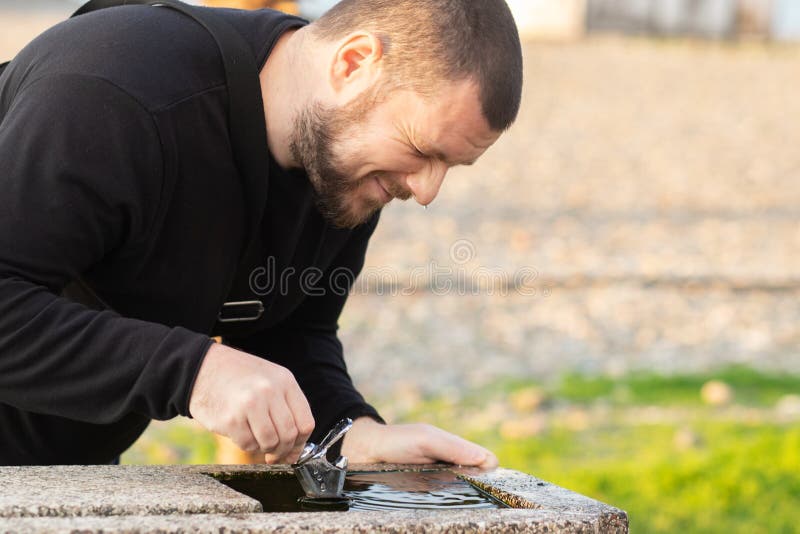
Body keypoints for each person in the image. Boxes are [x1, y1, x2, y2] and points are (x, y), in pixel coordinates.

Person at [0, 0, 523, 466]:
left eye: (451, 165)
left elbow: (289, 327)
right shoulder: (114, 93)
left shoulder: (345, 168)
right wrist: (195, 373)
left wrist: (349, 431)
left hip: (64, 468)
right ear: (353, 63)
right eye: (422, 149)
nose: (426, 190)